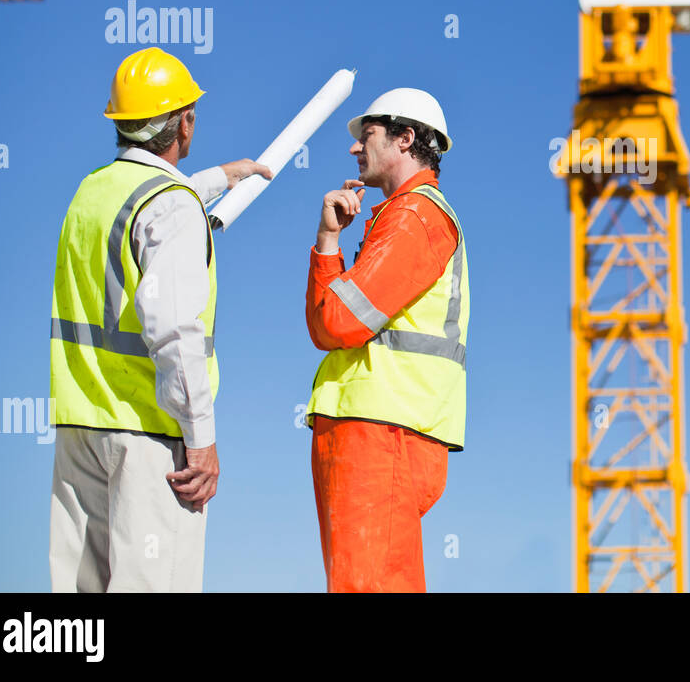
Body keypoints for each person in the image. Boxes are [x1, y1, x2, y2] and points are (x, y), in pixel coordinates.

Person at [50, 46, 271, 592]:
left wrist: (221, 178)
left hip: (81, 427)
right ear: (184, 122)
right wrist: (201, 438)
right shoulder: (171, 205)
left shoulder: (92, 192)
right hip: (148, 437)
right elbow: (174, 330)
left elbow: (150, 210)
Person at [304, 87, 469, 592]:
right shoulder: (400, 217)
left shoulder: (414, 217)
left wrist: (330, 251)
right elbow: (327, 324)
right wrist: (330, 242)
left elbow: (335, 324)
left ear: (405, 138)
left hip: (382, 428)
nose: (355, 148)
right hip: (374, 424)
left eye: (367, 136)